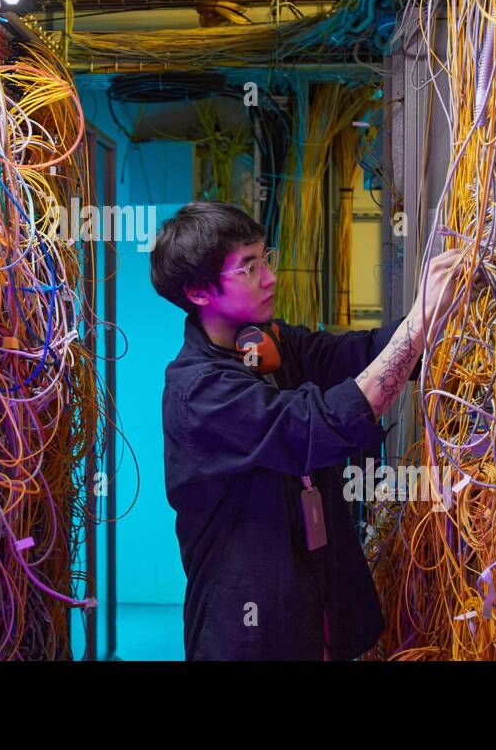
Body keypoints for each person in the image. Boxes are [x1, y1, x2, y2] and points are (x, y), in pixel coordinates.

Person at [149, 200, 462, 660]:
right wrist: (418, 323)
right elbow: (320, 424)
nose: (271, 277)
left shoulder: (266, 343)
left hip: (321, 612)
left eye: (265, 258)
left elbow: (363, 354)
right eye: (249, 268)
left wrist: (440, 316)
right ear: (199, 292)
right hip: (252, 633)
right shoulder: (200, 392)